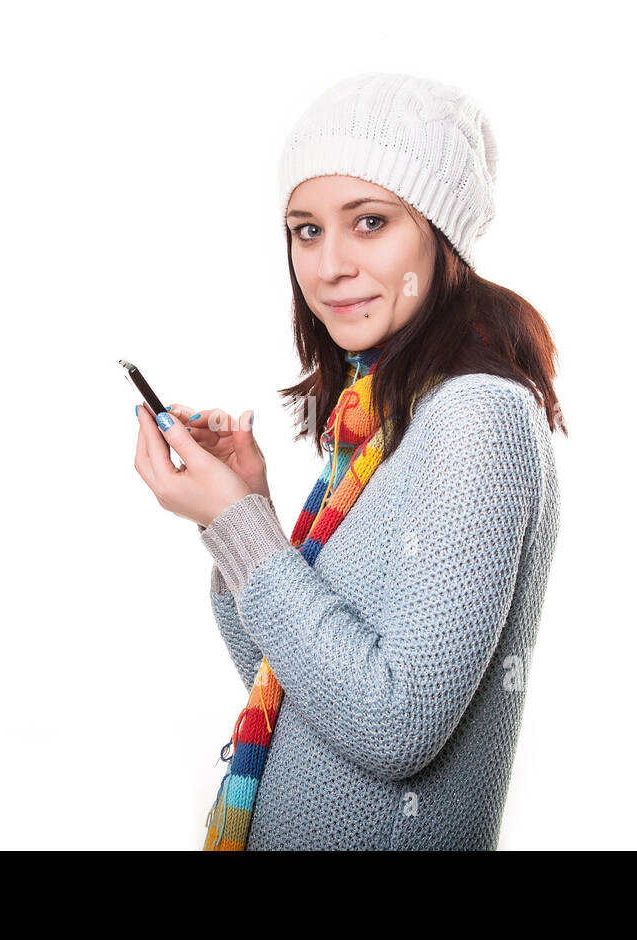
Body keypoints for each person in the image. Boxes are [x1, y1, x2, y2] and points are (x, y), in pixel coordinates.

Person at [131, 72, 565, 850]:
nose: (328, 265)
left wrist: (238, 525)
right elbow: (296, 686)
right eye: (306, 229)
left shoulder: (475, 415)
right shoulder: (379, 428)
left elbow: (396, 726)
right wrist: (249, 511)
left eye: (369, 222)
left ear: (442, 233)